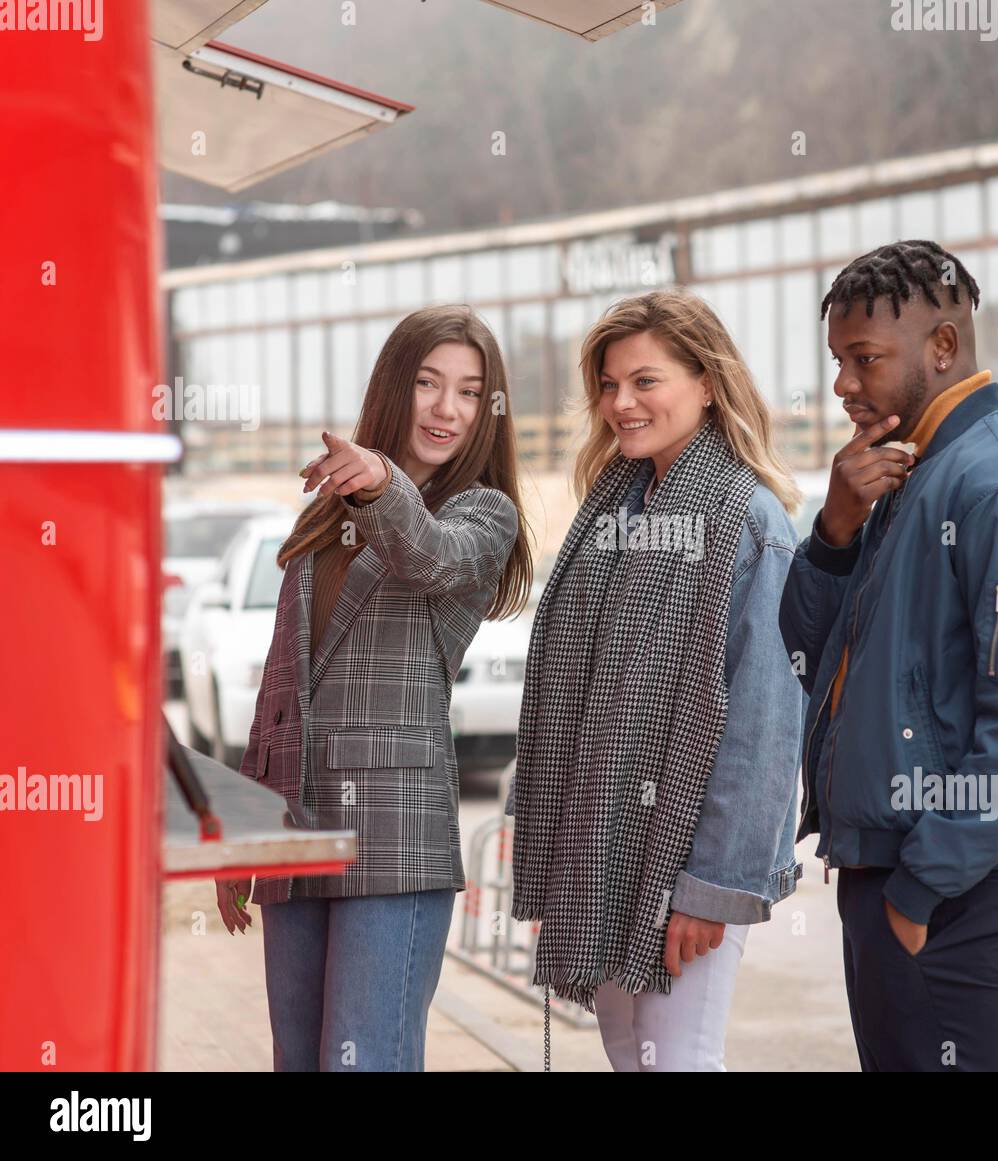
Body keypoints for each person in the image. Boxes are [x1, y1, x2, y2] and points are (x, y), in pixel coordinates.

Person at [780, 239, 998, 1072]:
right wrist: (834, 532)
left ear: (944, 346)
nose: (844, 384)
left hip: (945, 885)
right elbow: (806, 658)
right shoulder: (902, 475)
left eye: (865, 359)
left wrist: (921, 888)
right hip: (893, 867)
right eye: (839, 361)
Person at [217, 305, 531, 1072]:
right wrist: (241, 826)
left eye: (468, 390)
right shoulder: (328, 512)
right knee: (298, 1058)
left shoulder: (483, 513)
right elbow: (281, 690)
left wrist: (385, 483)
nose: (446, 408)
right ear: (396, 386)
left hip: (392, 835)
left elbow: (430, 555)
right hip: (295, 831)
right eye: (427, 383)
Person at [510, 288, 805, 1071]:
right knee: (630, 1059)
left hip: (687, 861)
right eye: (609, 385)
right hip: (602, 851)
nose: (620, 403)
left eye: (646, 380)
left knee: (676, 1064)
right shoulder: (611, 510)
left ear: (707, 382)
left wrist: (712, 886)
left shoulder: (750, 521)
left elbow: (767, 722)